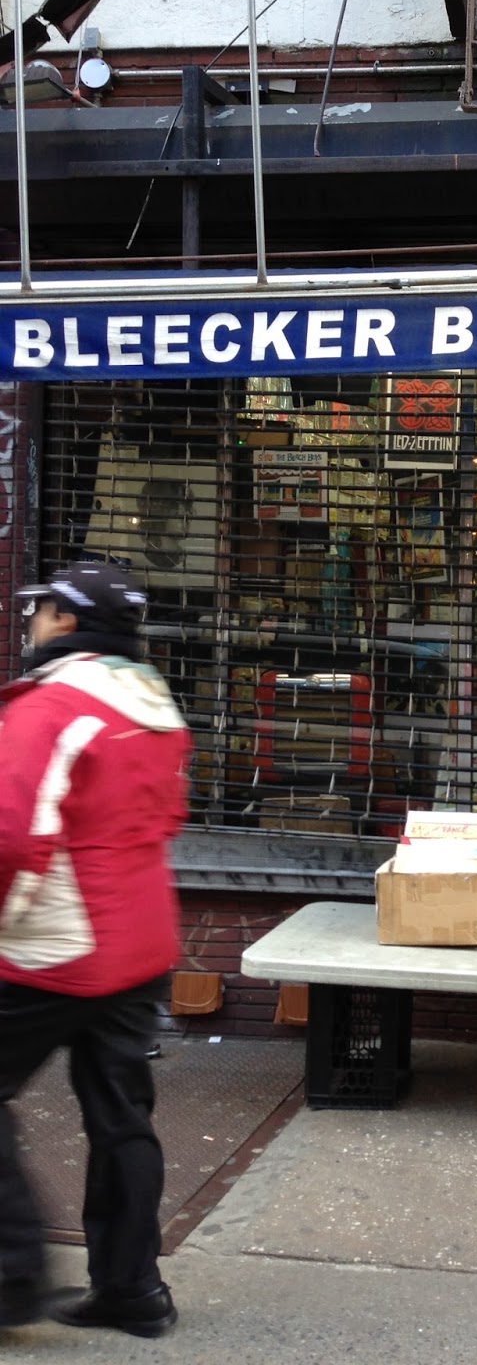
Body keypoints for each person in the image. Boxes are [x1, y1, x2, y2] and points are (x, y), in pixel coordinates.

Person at [0, 562, 190, 1340]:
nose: (33, 621)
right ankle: (132, 1289)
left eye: (41, 609)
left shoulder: (56, 706)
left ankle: (12, 1278)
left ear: (66, 621)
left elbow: (13, 830)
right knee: (121, 1120)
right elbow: (169, 814)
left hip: (57, 943)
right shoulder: (154, 703)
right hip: (142, 940)